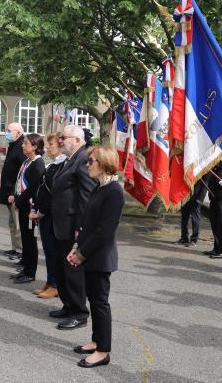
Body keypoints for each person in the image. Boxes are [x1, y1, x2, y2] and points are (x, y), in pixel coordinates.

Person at [68, 145, 124, 368]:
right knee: (93, 299)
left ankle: (103, 351)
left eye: (91, 161)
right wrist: (76, 246)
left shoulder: (114, 192)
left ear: (104, 163)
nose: (88, 165)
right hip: (90, 253)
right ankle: (95, 340)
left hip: (100, 257)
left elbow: (104, 231)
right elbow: (87, 223)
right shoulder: (99, 187)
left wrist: (81, 254)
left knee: (100, 303)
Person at [50, 124, 97, 330]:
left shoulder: (84, 159)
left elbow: (86, 197)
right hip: (61, 223)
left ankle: (79, 312)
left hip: (72, 225)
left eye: (64, 137)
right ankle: (68, 305)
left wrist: (81, 226)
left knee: (73, 269)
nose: (60, 140)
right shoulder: (71, 158)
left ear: (77, 140)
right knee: (62, 268)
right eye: (60, 137)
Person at [30, 133, 64, 299]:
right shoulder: (53, 164)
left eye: (51, 144)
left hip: (51, 214)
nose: (48, 147)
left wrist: (41, 211)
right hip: (44, 213)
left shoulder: (62, 164)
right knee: (48, 251)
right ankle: (50, 281)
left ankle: (55, 284)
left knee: (52, 251)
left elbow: (53, 194)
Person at [9, 133, 46, 284]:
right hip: (23, 205)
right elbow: (19, 181)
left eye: (26, 144)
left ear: (35, 147)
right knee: (25, 237)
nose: (23, 146)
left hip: (30, 206)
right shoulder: (27, 162)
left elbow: (33, 188)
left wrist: (18, 201)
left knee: (30, 240)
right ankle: (25, 266)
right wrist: (15, 196)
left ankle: (30, 272)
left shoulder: (38, 163)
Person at [0, 123, 26, 260]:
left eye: (9, 131)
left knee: (18, 223)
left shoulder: (21, 147)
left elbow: (22, 173)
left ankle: (21, 250)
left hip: (15, 193)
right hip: (9, 191)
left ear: (18, 133)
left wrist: (15, 193)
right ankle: (15, 248)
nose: (6, 133)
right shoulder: (14, 145)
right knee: (12, 222)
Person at [177, 180, 207, 247]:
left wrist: (201, 198)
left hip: (196, 196)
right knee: (184, 216)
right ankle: (184, 237)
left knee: (195, 218)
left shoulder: (203, 169)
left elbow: (205, 183)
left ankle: (194, 240)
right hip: (185, 193)